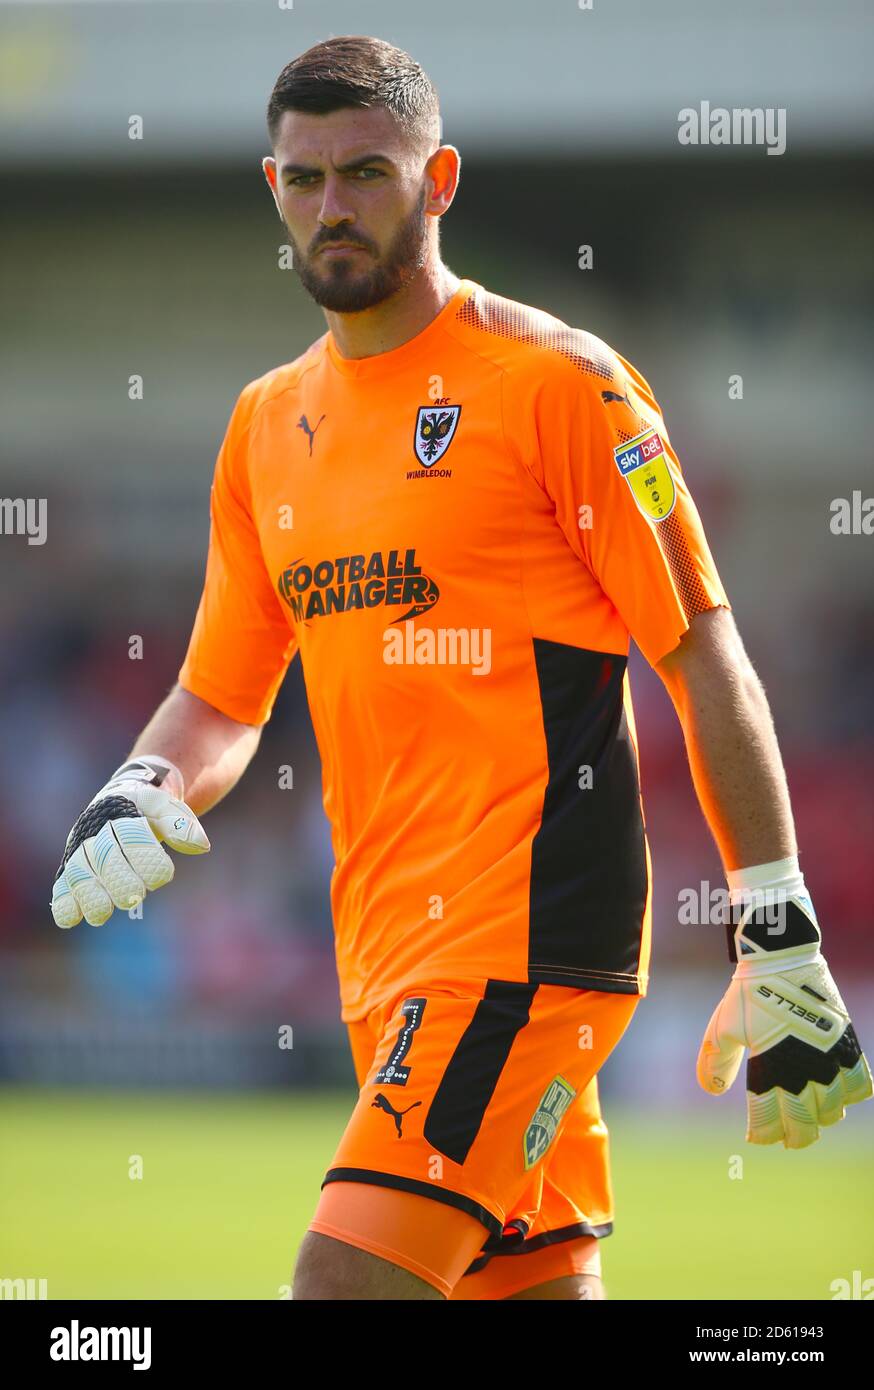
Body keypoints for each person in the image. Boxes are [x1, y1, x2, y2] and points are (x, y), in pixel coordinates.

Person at [50, 35, 872, 1302]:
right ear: (272, 188)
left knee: (340, 1286)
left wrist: (777, 925)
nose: (333, 206)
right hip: (383, 963)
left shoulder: (562, 385)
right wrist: (141, 780)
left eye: (365, 173)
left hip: (525, 950)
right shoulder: (266, 426)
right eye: (304, 178)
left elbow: (701, 646)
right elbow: (220, 693)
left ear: (437, 180)